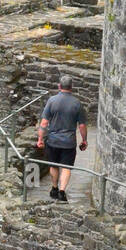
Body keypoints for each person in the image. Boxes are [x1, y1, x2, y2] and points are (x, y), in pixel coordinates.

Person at [37, 74, 88, 203]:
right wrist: (84, 140)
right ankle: (62, 191)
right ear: (71, 87)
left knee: (54, 165)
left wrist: (40, 139)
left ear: (59, 86)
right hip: (69, 142)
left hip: (53, 141)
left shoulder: (52, 101)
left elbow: (44, 123)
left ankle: (54, 188)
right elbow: (82, 125)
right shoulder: (77, 103)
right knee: (66, 167)